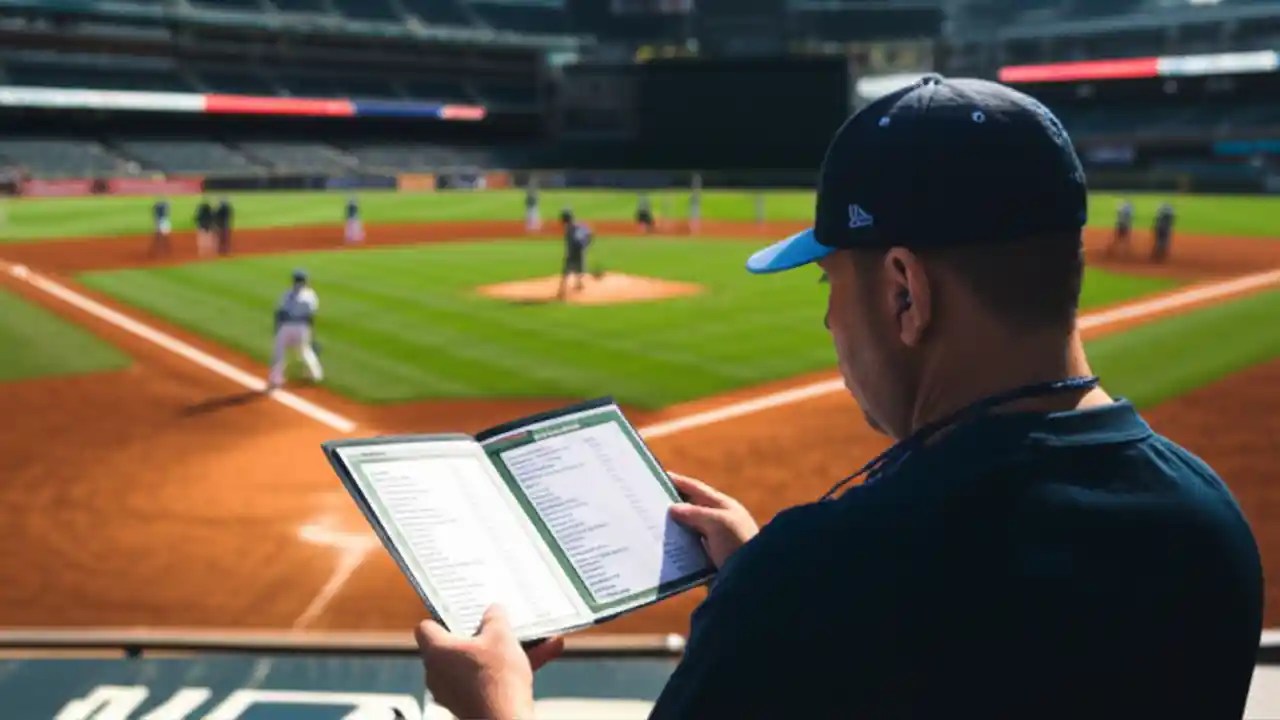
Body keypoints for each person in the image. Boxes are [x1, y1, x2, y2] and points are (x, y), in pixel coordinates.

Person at [409, 76, 1263, 720]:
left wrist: (496, 708)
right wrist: (769, 579)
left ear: (905, 292)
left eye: (829, 281)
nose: (826, 319)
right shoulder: (1208, 526)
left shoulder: (813, 583)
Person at [267, 269, 323, 391]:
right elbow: (311, 316)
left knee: (279, 353)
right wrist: (311, 333)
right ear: (305, 281)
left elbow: (279, 313)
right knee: (305, 351)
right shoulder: (311, 295)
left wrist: (276, 329)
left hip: (286, 326)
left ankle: (276, 379)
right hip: (302, 327)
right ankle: (316, 374)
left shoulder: (286, 294)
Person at [557, 208, 591, 300]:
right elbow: (588, 235)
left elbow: (575, 241)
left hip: (573, 253)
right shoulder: (579, 226)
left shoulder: (570, 229)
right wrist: (586, 245)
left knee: (566, 271)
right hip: (579, 252)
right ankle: (578, 284)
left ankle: (562, 290)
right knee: (579, 269)